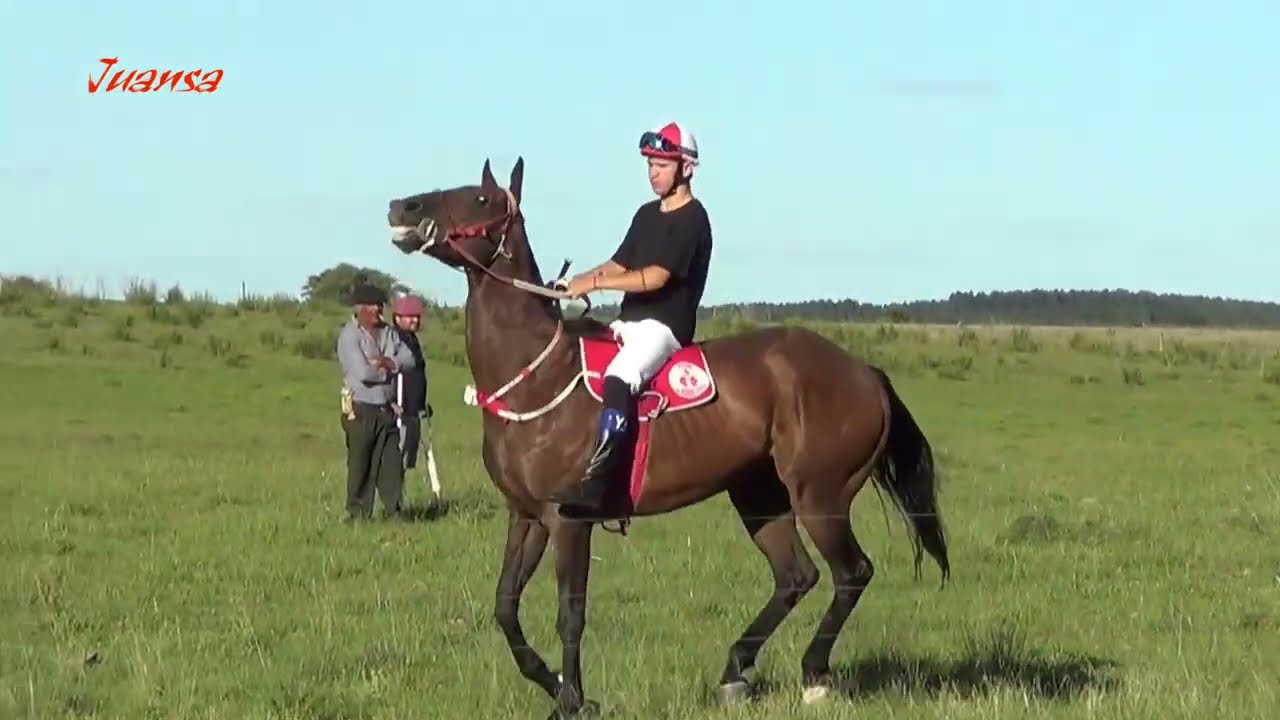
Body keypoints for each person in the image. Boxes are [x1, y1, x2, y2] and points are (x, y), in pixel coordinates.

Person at [547, 121, 714, 512]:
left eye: (662, 164)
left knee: (619, 378)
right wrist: (574, 281)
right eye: (650, 164)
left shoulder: (694, 219)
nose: (653, 172)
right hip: (627, 324)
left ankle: (603, 482)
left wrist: (598, 284)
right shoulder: (645, 214)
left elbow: (656, 277)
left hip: (664, 329)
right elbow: (620, 262)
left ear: (686, 168)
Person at [336, 283, 416, 522]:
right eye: (373, 306)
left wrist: (387, 363)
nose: (378, 311)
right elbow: (363, 373)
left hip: (387, 408)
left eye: (380, 305)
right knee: (361, 463)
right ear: (360, 308)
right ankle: (358, 514)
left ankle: (394, 511)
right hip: (360, 409)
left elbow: (409, 359)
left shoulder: (390, 332)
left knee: (391, 462)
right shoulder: (349, 336)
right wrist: (390, 372)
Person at [390, 294, 434, 474]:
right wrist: (391, 401)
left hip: (414, 410)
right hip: (399, 410)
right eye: (410, 316)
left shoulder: (413, 340)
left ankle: (399, 498)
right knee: (396, 459)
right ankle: (393, 500)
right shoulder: (393, 339)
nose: (415, 320)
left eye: (417, 316)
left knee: (407, 459)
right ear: (397, 317)